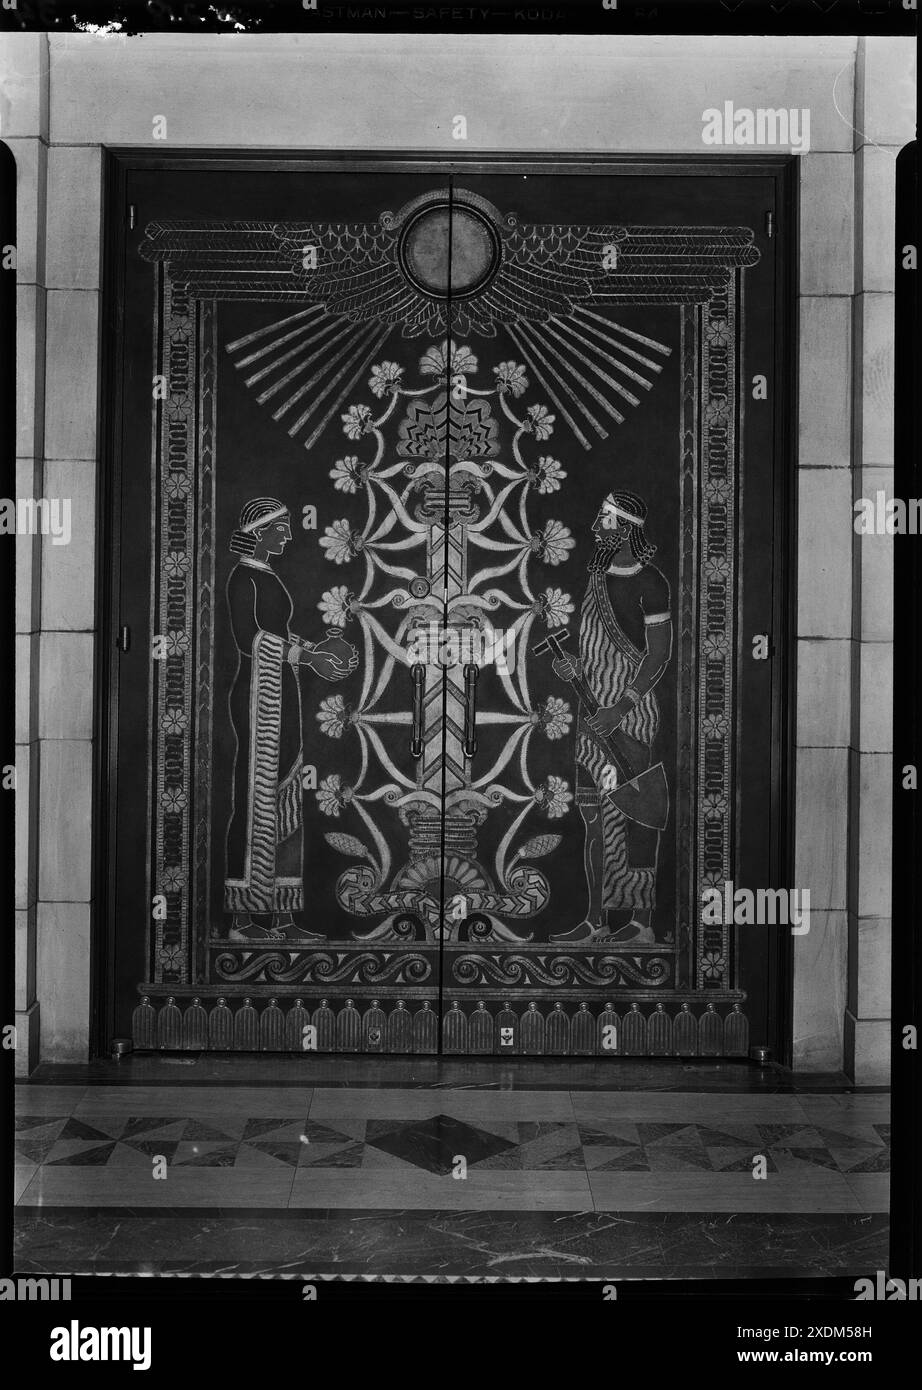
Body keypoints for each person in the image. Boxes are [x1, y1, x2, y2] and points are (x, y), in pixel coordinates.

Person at [222, 497, 357, 942]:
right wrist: (305, 657)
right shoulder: (243, 577)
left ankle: (281, 915)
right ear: (259, 533)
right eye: (280, 529)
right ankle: (244, 919)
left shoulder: (267, 576)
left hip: (282, 692)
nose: (289, 535)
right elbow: (250, 639)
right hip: (259, 696)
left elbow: (277, 636)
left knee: (285, 796)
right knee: (258, 797)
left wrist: (314, 653)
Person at [551, 490, 672, 944]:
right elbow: (594, 649)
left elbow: (658, 654)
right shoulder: (597, 576)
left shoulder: (651, 582)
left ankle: (640, 924)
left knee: (636, 814)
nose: (595, 525)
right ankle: (597, 921)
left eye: (604, 519)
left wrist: (621, 707)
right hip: (591, 711)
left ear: (624, 528)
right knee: (595, 819)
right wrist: (573, 669)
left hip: (630, 714)